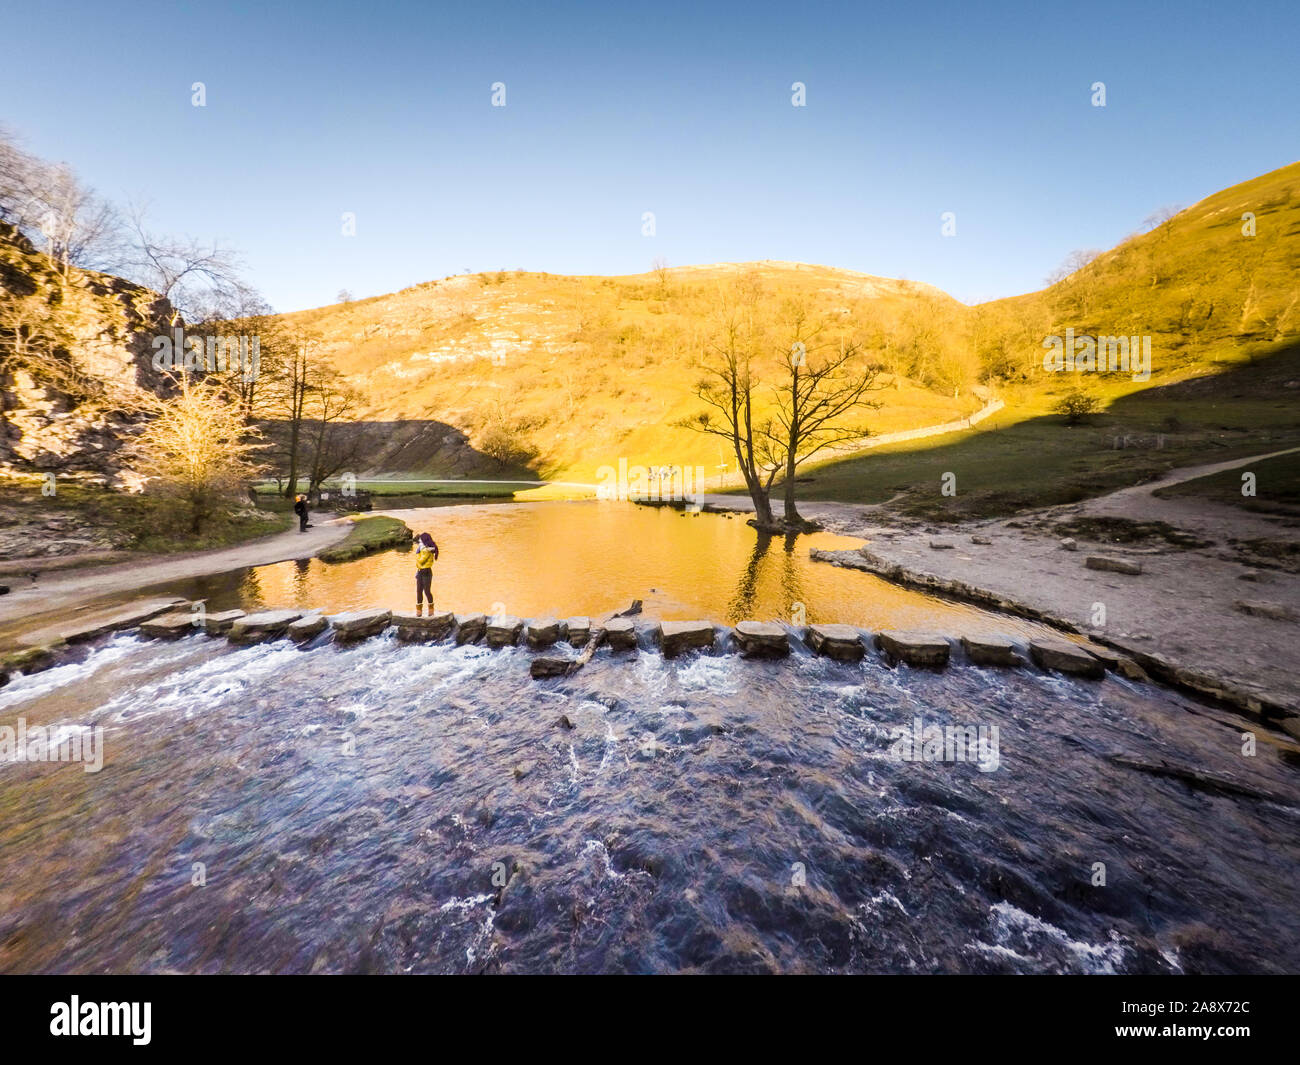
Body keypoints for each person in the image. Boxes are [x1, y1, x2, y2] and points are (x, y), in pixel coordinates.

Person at [414, 531, 439, 615]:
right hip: (420, 572)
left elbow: (421, 561)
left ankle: (431, 611)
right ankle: (419, 612)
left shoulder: (427, 550)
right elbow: (419, 564)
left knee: (427, 591)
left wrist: (417, 554)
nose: (419, 541)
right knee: (419, 591)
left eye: (421, 539)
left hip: (426, 572)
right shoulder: (423, 549)